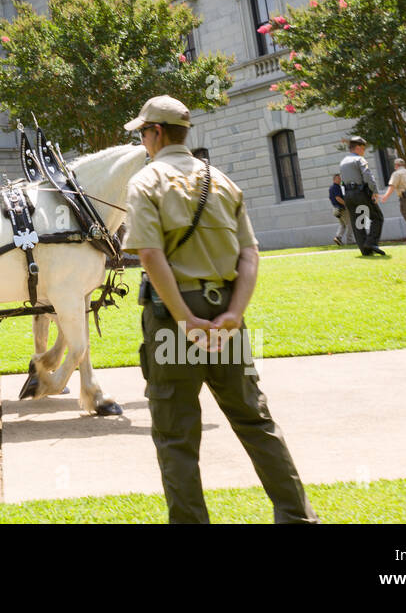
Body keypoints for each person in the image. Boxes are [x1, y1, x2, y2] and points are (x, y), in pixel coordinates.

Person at [124, 95, 318, 525]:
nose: (142, 139)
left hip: (174, 316)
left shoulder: (146, 182)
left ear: (156, 133)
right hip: (227, 311)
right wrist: (233, 314)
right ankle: (297, 516)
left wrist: (184, 319)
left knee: (176, 435)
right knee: (254, 419)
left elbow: (151, 257)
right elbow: (250, 254)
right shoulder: (223, 181)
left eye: (142, 132)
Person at [340, 136, 387, 257]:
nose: (364, 151)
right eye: (363, 148)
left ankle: (366, 251)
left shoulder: (343, 162)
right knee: (377, 217)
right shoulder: (359, 160)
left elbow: (342, 181)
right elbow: (368, 176)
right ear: (358, 148)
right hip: (360, 192)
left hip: (348, 195)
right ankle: (371, 242)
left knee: (358, 223)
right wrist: (375, 192)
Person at [328, 174, 349, 246]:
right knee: (349, 224)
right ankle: (350, 241)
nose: (340, 180)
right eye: (338, 179)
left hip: (335, 209)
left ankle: (338, 237)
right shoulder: (336, 187)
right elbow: (338, 198)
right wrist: (346, 204)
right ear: (334, 179)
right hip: (341, 208)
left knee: (342, 224)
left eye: (340, 178)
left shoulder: (331, 188)